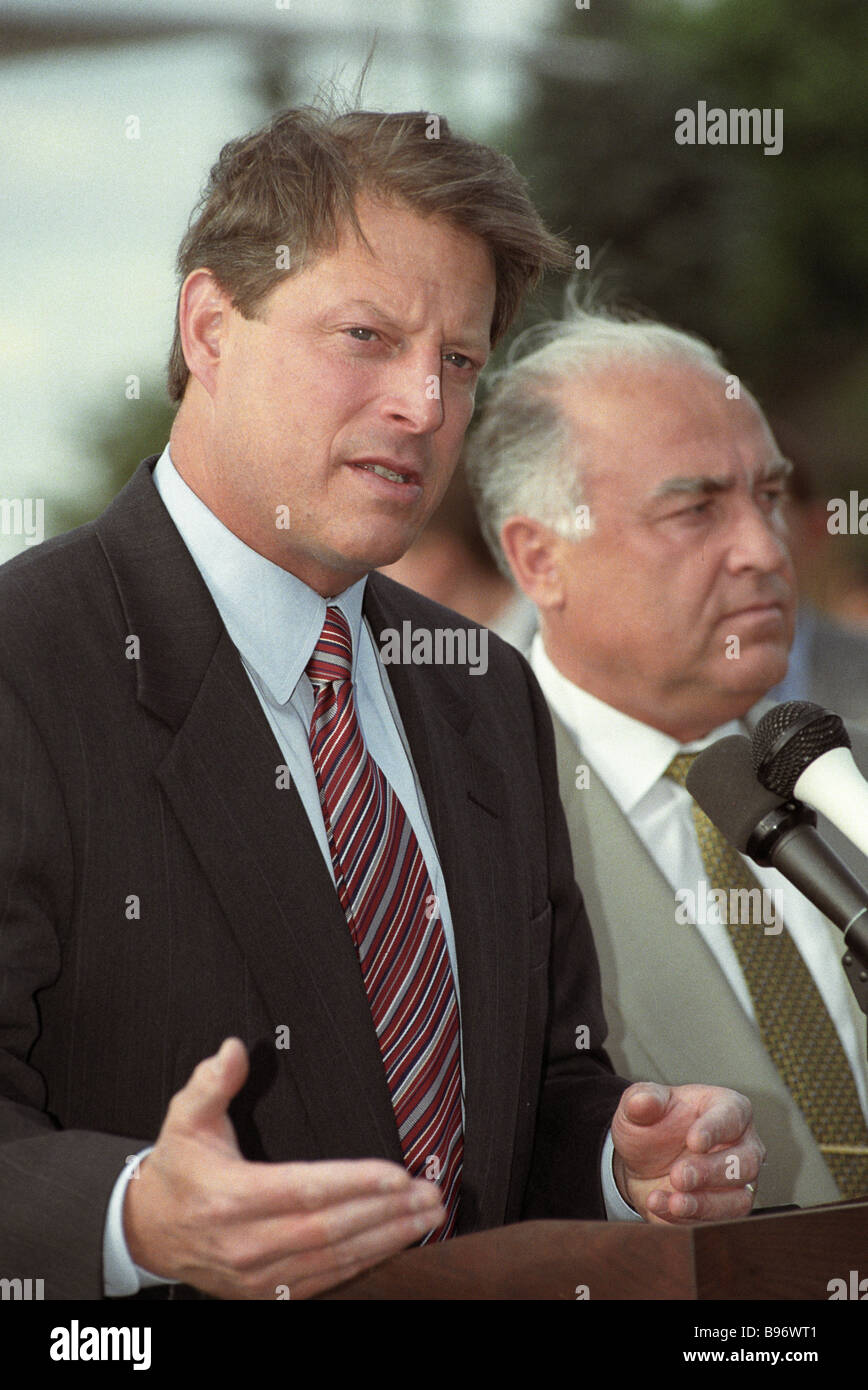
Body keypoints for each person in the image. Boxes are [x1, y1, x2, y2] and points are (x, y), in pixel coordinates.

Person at [0, 109, 762, 1302]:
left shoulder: (482, 684)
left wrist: (624, 1159)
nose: (422, 403)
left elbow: (543, 1095)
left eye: (459, 360)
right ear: (211, 327)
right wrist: (131, 1216)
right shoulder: (24, 664)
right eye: (366, 335)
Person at [467, 306, 868, 1209]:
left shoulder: (845, 773)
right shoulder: (463, 827)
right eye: (695, 510)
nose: (765, 551)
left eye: (771, 496)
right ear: (542, 559)